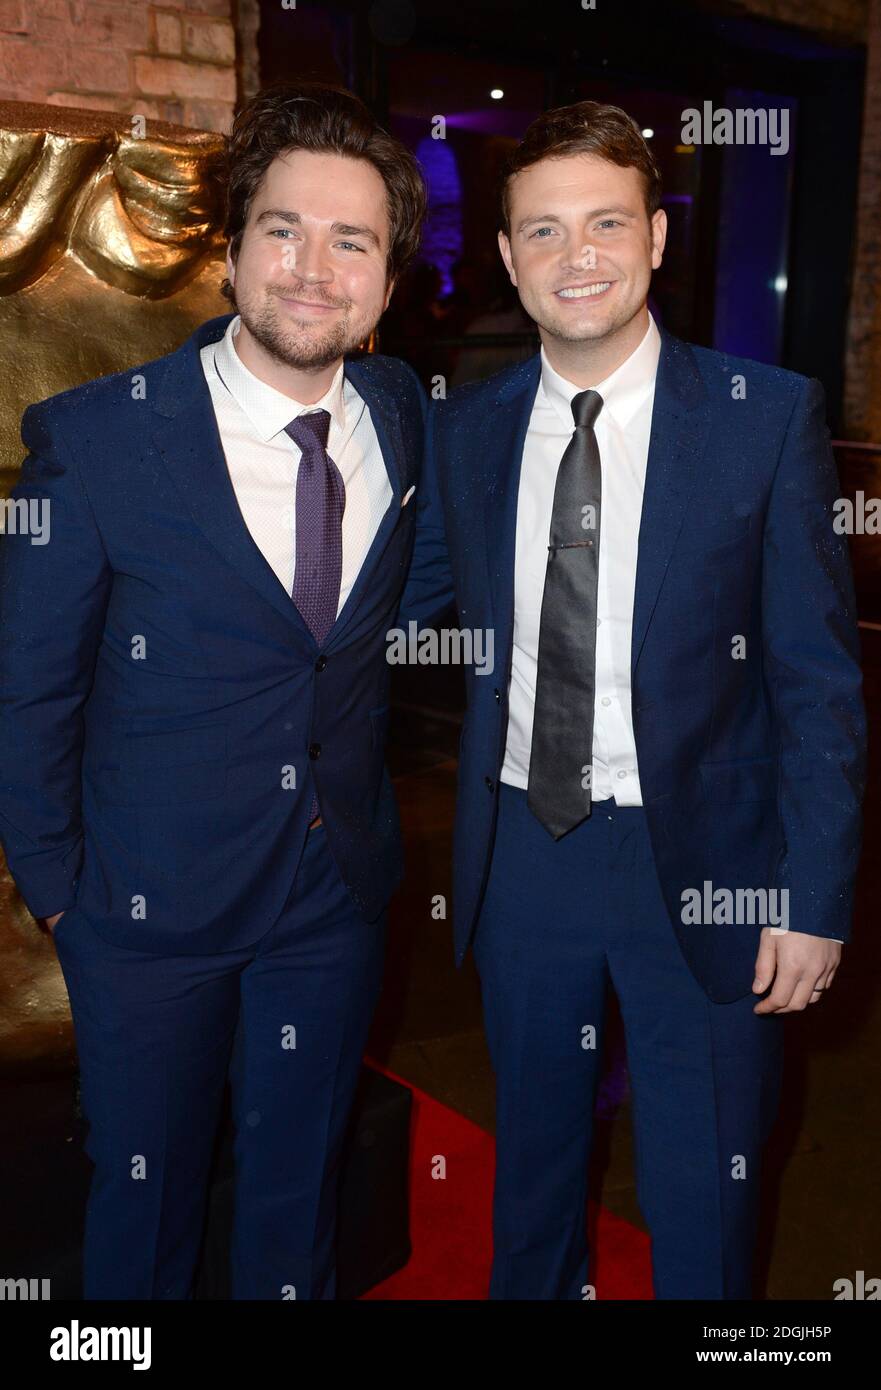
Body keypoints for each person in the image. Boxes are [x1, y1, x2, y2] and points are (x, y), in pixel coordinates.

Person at [400, 100, 866, 1298]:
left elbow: (816, 677)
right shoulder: (471, 429)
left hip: (709, 854)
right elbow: (392, 610)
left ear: (655, 235)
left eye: (605, 222)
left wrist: (811, 897)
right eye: (542, 231)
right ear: (505, 255)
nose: (577, 256)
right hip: (523, 853)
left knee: (702, 1189)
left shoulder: (765, 420)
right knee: (532, 1170)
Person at [0, 80, 427, 1300]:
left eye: (352, 241)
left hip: (330, 895)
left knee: (297, 1189)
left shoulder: (397, 416)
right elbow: (27, 694)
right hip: (142, 917)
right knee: (143, 1207)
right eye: (283, 229)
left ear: (385, 285)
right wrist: (65, 904)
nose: (312, 266)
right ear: (231, 253)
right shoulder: (98, 442)